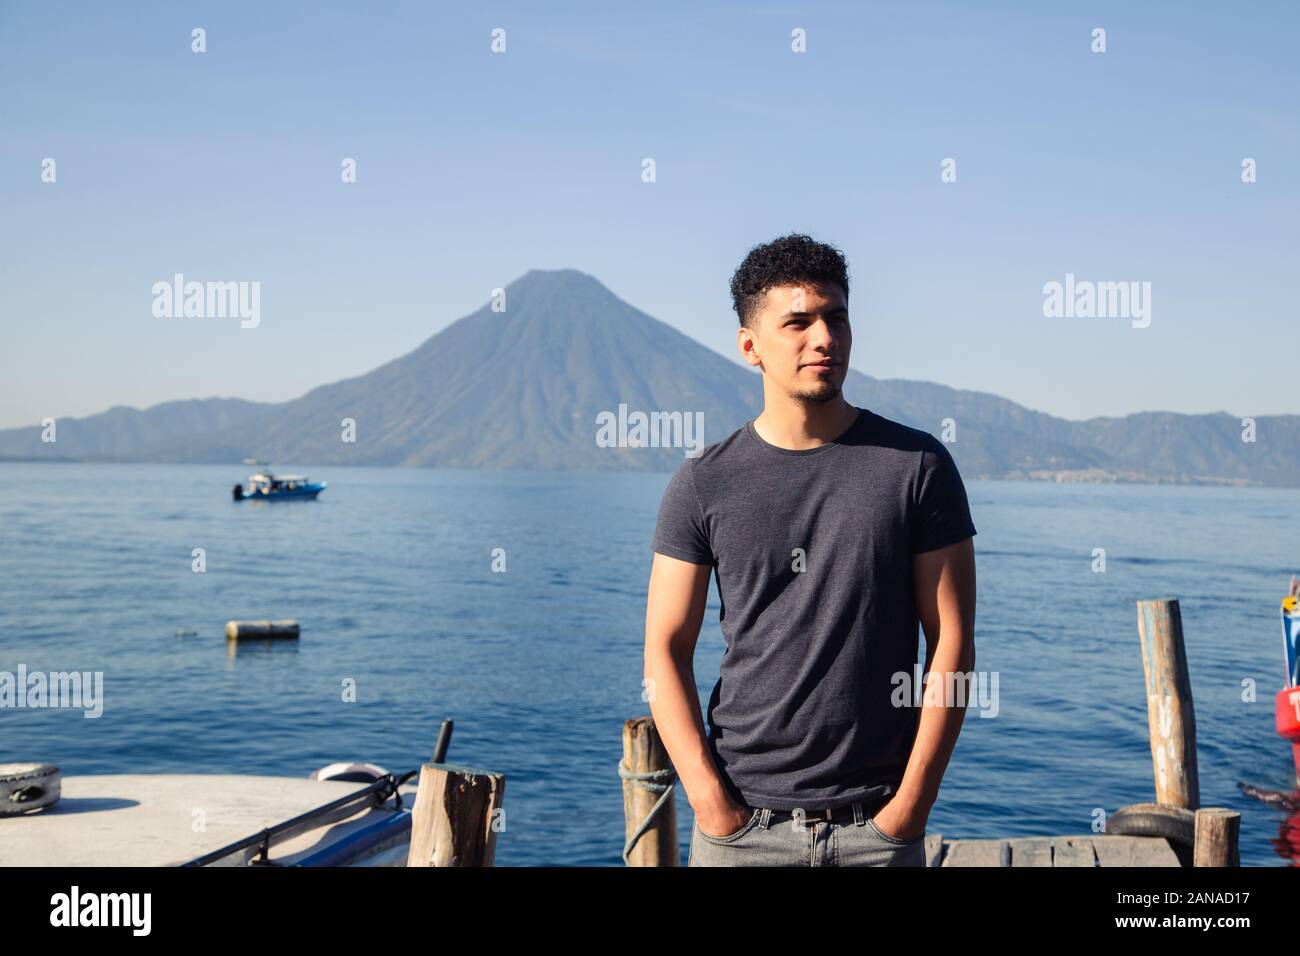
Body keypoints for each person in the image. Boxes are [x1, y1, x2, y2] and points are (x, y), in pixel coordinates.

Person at [644, 234, 977, 866]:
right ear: (751, 347)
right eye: (797, 322)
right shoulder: (703, 482)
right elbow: (664, 649)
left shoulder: (917, 467)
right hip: (742, 829)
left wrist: (911, 807)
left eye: (836, 318)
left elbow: (952, 644)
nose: (824, 338)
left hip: (875, 827)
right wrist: (712, 804)